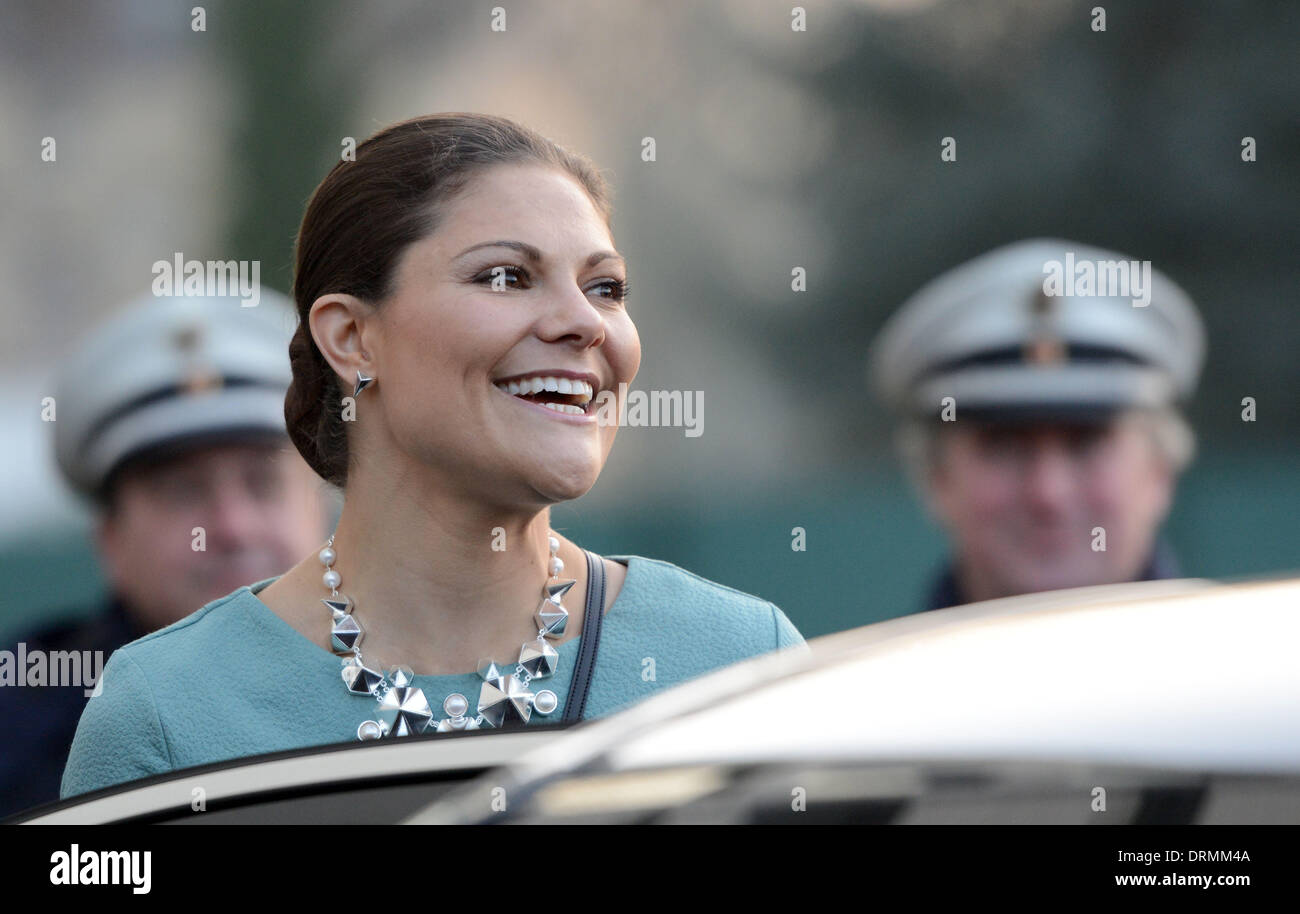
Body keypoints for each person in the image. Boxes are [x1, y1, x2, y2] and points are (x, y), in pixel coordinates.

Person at [60, 113, 805, 801]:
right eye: (506, 276)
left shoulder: (740, 660)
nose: (585, 323)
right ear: (352, 338)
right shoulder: (164, 714)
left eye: (605, 288)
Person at [2, 290, 332, 818]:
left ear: (319, 510)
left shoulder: (427, 669)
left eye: (262, 482)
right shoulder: (19, 728)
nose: (232, 526)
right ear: (111, 541)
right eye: (183, 491)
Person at [868, 238, 1206, 612]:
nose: (1048, 494)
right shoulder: (853, 671)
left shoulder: (1260, 664)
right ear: (936, 477)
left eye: (1085, 444)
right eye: (1004, 446)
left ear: (1159, 471)